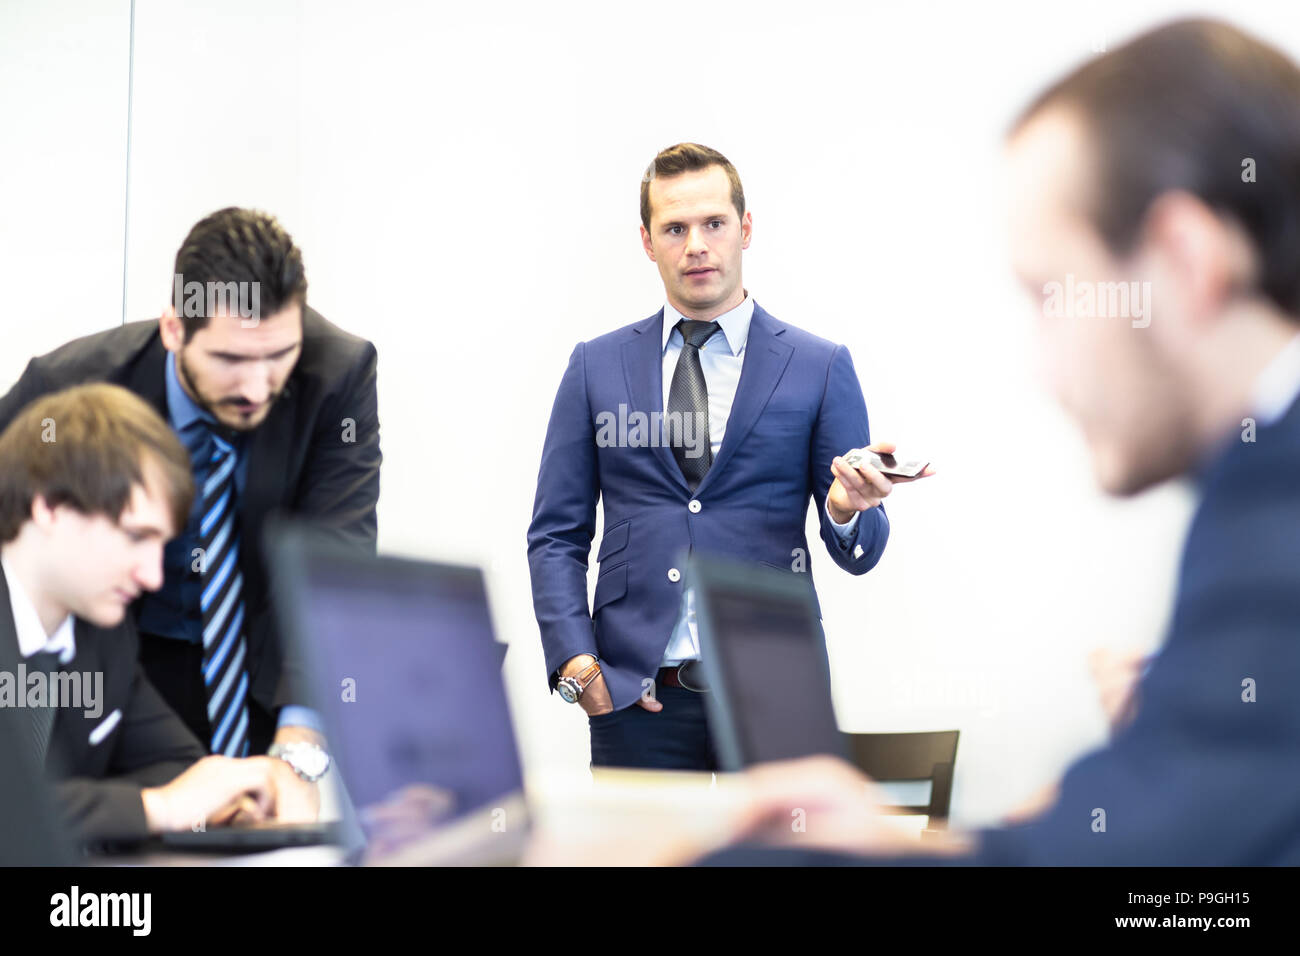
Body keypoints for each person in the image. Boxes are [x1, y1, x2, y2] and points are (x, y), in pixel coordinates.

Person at [686, 17, 1300, 866]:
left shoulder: (1278, 505)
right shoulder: (1259, 484)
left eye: (1051, 292)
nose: (1043, 372)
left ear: (1183, 261)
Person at [527, 143, 930, 771]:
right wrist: (576, 663)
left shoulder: (819, 367)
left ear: (745, 229)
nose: (696, 245)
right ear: (646, 240)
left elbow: (861, 550)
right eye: (675, 228)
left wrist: (847, 510)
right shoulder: (594, 367)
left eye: (714, 223)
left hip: (775, 698)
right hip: (636, 702)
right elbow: (556, 533)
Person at [0, 208, 382, 814]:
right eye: (231, 360)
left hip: (255, 659)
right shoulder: (71, 386)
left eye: (278, 356)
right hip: (114, 656)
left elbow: (334, 562)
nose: (258, 388)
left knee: (243, 813)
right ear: (174, 328)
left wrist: (296, 756)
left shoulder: (337, 374)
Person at [0, 384, 312, 843]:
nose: (152, 577)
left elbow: (180, 768)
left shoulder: (104, 636)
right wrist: (157, 807)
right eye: (135, 537)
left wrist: (236, 789)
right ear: (49, 507)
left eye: (160, 545)